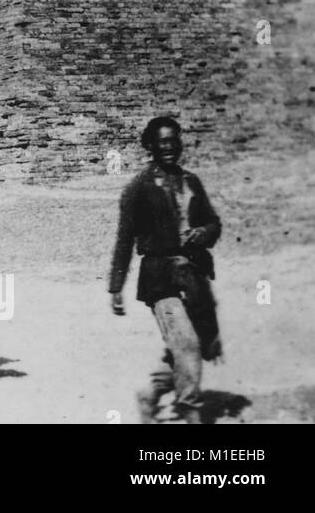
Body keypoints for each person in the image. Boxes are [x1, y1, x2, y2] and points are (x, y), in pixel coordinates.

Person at [109, 116, 222, 424]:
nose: (170, 147)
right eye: (162, 142)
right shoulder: (139, 189)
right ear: (151, 146)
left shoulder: (191, 181)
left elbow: (213, 222)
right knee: (186, 343)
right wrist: (116, 287)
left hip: (194, 276)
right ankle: (190, 409)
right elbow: (124, 239)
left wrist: (204, 233)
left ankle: (151, 393)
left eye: (174, 141)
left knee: (195, 345)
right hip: (160, 279)